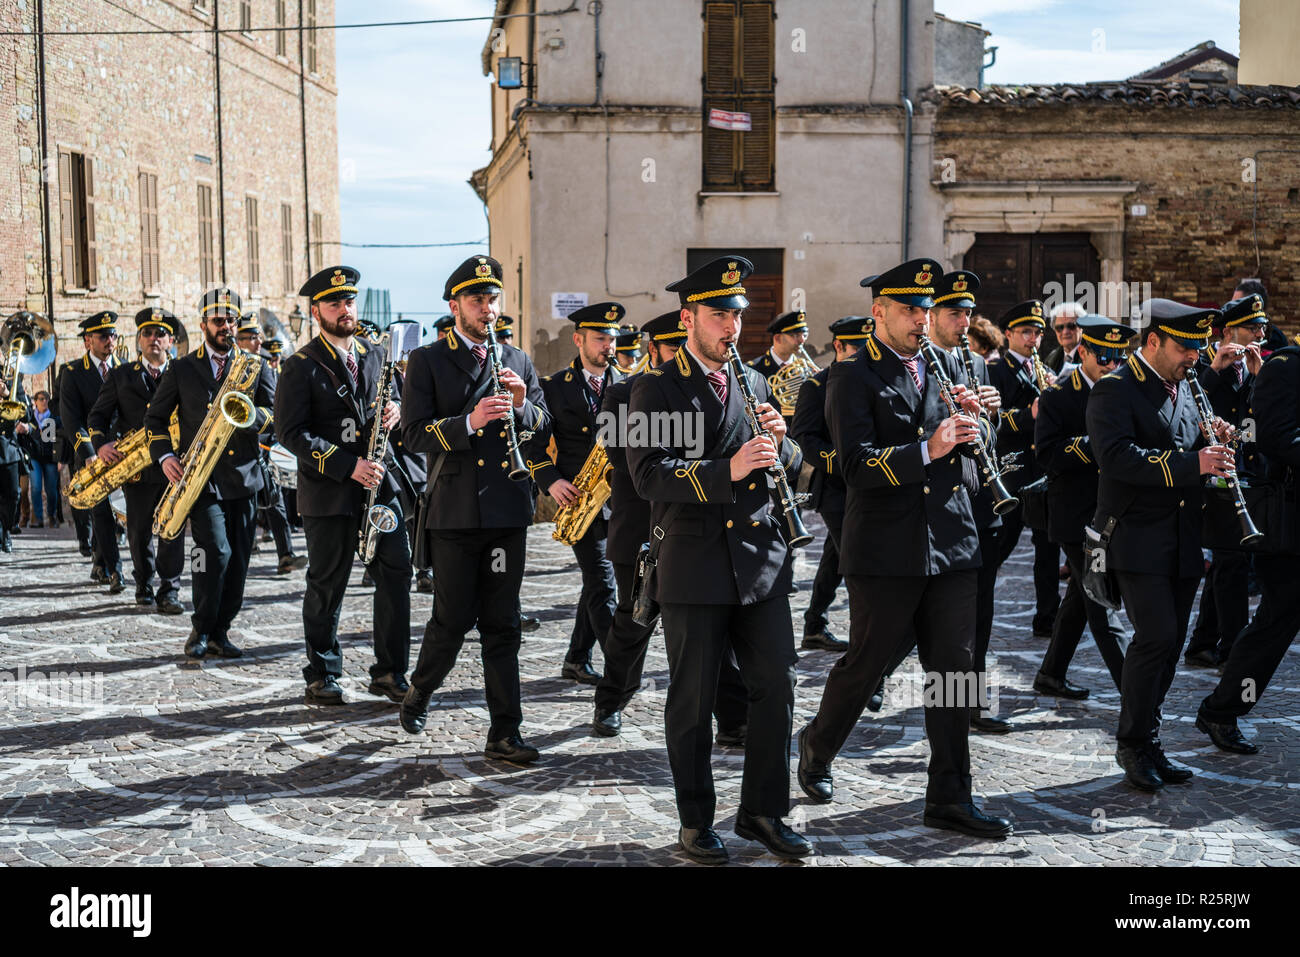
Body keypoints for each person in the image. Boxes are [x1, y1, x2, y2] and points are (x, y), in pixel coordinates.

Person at [798, 258, 1013, 839]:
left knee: (953, 673)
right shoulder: (851, 375)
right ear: (879, 313)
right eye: (909, 310)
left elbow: (966, 446)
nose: (921, 320)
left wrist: (978, 426)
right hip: (887, 546)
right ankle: (816, 746)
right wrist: (928, 447)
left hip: (952, 539)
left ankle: (951, 796)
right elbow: (854, 466)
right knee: (867, 661)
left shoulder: (946, 363)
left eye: (925, 309)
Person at [628, 254, 811, 864]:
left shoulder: (755, 382)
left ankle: (763, 810)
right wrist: (724, 471)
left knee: (776, 689)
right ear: (689, 318)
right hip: (696, 564)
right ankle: (694, 820)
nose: (731, 326)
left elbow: (779, 466)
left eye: (737, 314)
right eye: (718, 315)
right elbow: (649, 476)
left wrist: (782, 445)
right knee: (694, 700)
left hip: (760, 560)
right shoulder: (656, 386)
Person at [397, 255, 551, 763]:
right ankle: (420, 689)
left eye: (492, 299)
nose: (488, 309)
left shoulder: (517, 359)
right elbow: (413, 433)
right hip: (456, 512)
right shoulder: (428, 361)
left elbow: (540, 428)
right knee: (452, 618)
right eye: (477, 300)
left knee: (503, 623)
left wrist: (524, 403)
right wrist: (468, 421)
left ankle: (505, 732)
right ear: (455, 306)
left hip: (507, 510)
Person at [1086, 298, 1232, 791]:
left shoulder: (1187, 387)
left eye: (1198, 349)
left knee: (1168, 647)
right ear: (1153, 341)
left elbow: (1187, 450)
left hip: (1183, 538)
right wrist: (1194, 465)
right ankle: (1131, 744)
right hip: (1135, 537)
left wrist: (1216, 449)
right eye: (1184, 348)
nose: (1193, 358)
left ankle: (1150, 741)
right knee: (1156, 637)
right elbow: (1118, 457)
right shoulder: (1115, 389)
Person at [591, 310, 748, 742]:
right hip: (642, 530)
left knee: (718, 633)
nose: (680, 351)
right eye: (671, 345)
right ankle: (611, 702)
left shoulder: (724, 387)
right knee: (635, 619)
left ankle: (733, 718)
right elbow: (624, 459)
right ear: (653, 349)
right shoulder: (625, 394)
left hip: (702, 533)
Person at [276, 266, 413, 705]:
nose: (344, 309)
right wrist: (346, 465)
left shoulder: (377, 355)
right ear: (317, 311)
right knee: (327, 582)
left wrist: (397, 410)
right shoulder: (299, 366)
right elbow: (291, 433)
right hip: (330, 489)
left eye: (349, 301)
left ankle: (389, 671)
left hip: (380, 484)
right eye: (334, 303)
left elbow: (401, 401)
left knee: (396, 573)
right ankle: (323, 671)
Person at [144, 287, 277, 660]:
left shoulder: (255, 365)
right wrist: (164, 456)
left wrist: (253, 417)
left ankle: (222, 629)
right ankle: (201, 626)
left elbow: (276, 416)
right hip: (202, 481)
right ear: (203, 324)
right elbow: (154, 418)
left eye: (231, 320)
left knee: (238, 560)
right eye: (218, 320)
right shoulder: (183, 368)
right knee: (212, 553)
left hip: (245, 477)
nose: (226, 327)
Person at [1196, 329, 1300, 754]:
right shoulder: (1287, 367)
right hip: (1291, 524)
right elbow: (1272, 435)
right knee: (1275, 624)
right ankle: (1223, 709)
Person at [926, 270, 1011, 732]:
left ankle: (968, 706)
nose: (964, 322)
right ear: (932, 315)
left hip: (977, 506)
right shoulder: (915, 362)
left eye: (968, 313)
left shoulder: (976, 365)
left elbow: (987, 440)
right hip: (931, 509)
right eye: (954, 313)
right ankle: (864, 684)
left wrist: (990, 417)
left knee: (977, 612)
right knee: (902, 627)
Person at [1033, 314, 1133, 698]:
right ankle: (1134, 691)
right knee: (1100, 596)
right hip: (1076, 518)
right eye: (1104, 357)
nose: (1111, 365)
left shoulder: (1123, 390)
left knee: (1079, 595)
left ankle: (1051, 673)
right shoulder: (1058, 394)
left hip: (1111, 511)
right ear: (1084, 352)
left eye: (1117, 358)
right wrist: (1096, 446)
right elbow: (1047, 453)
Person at [533, 302, 623, 684]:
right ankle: (619, 669)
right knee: (603, 581)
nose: (609, 346)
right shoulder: (552, 388)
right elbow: (532, 443)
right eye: (600, 339)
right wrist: (550, 480)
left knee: (595, 582)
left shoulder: (632, 384)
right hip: (579, 500)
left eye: (612, 339)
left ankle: (575, 657)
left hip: (620, 501)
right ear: (579, 340)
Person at [1184, 294, 1266, 669]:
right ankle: (1235, 647)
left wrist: (1257, 379)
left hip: (1242, 474)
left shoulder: (1254, 366)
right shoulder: (1201, 363)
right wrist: (1214, 369)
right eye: (1252, 327)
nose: (1260, 333)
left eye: (1261, 326)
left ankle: (1201, 643)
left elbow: (1253, 426)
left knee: (1228, 562)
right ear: (1230, 330)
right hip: (1210, 476)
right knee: (1231, 562)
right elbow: (1187, 412)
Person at [87, 308, 187, 615]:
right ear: (139, 339)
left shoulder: (185, 373)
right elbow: (98, 416)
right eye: (147, 333)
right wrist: (101, 444)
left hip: (176, 465)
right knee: (140, 530)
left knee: (173, 527)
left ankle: (169, 588)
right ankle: (144, 582)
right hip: (139, 469)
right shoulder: (121, 375)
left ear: (171, 340)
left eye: (160, 334)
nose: (153, 339)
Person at [790, 317, 870, 654]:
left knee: (835, 557)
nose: (864, 353)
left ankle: (814, 624)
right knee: (856, 561)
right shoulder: (816, 385)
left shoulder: (869, 379)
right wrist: (841, 462)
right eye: (857, 348)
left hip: (865, 484)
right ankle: (865, 642)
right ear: (838, 347)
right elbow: (804, 438)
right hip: (835, 488)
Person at [987, 300, 1061, 638]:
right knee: (1002, 542)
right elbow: (991, 423)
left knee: (1047, 549)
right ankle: (975, 599)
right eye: (1026, 333)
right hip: (1013, 469)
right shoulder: (995, 372)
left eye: (1037, 333)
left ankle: (1047, 618)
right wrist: (1026, 415)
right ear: (1008, 335)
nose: (1033, 339)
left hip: (1042, 471)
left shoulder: (1044, 371)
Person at [59, 312, 125, 591]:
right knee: (100, 512)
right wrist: (88, 451)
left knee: (120, 514)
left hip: (122, 454)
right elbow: (70, 417)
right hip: (90, 455)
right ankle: (114, 570)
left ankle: (100, 560)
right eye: (103, 336)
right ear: (88, 341)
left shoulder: (125, 369)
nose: (109, 340)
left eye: (112, 335)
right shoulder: (73, 372)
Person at [236, 314, 305, 575]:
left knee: (275, 501)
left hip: (263, 447)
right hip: (238, 450)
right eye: (251, 338)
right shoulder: (228, 365)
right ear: (238, 340)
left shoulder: (262, 366)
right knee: (247, 503)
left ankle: (285, 554)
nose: (257, 342)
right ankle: (246, 547)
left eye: (257, 337)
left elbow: (275, 410)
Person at [749, 310, 810, 419]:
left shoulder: (807, 369)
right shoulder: (753, 369)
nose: (802, 340)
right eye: (795, 335)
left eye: (804, 334)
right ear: (777, 338)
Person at [27, 390, 61, 528]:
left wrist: (60, 458)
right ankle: (38, 519)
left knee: (51, 490)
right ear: (35, 402)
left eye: (46, 398)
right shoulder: (31, 418)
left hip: (50, 459)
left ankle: (52, 516)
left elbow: (60, 439)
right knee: (35, 488)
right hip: (34, 457)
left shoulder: (54, 418)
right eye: (41, 399)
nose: (44, 401)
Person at [1044, 301, 1085, 374]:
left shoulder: (1091, 356)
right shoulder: (1050, 359)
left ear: (1082, 327)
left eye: (1071, 326)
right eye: (1060, 328)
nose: (1065, 332)